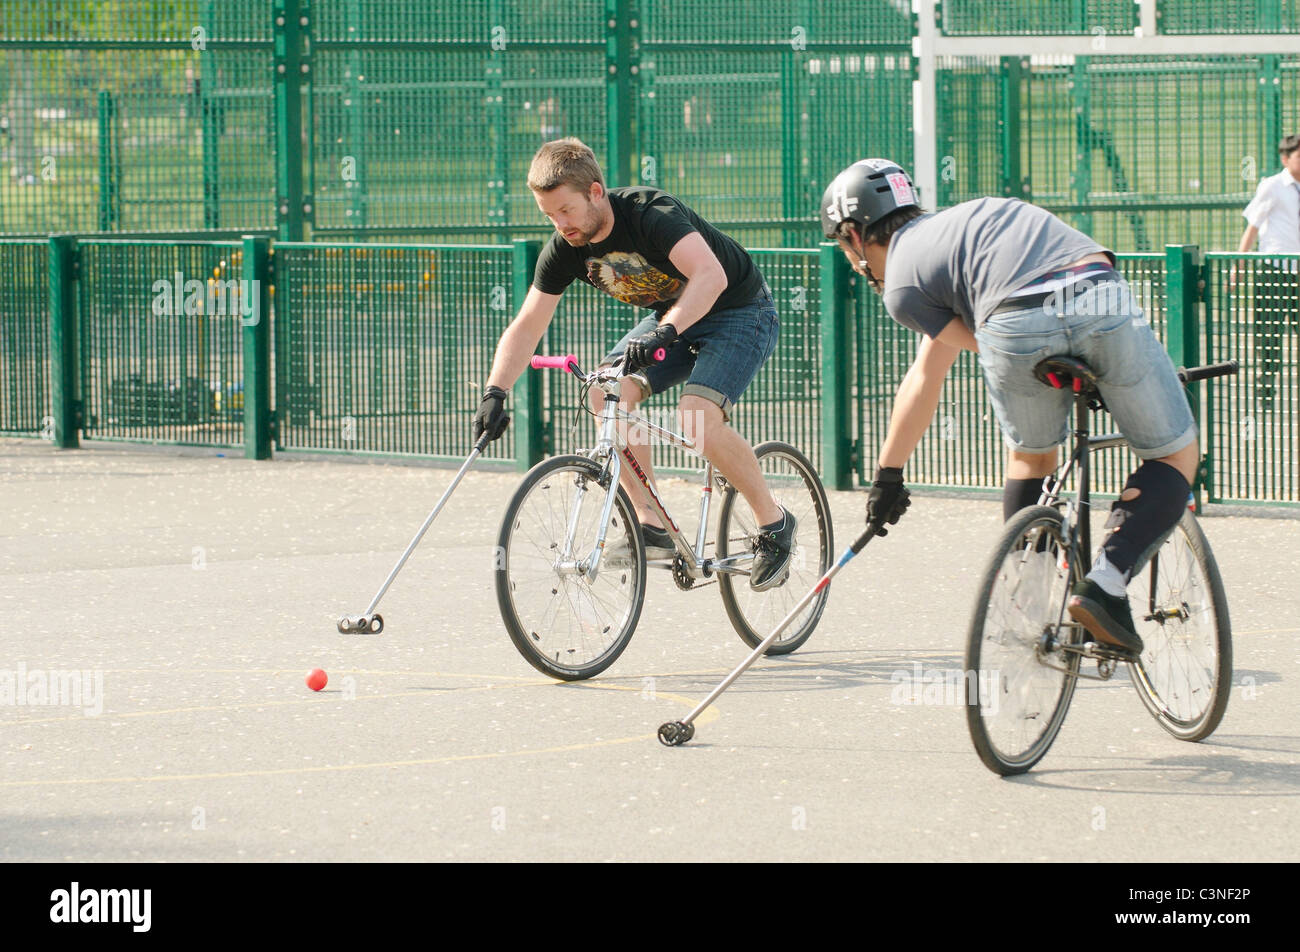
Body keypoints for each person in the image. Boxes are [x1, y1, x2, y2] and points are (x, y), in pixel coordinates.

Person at [820, 158, 1200, 654]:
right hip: (1098, 293)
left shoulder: (904, 289)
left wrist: (888, 474)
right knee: (1174, 455)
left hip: (1014, 319)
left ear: (853, 234)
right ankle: (1106, 580)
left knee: (1033, 457)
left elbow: (939, 367)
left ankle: (1034, 601)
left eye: (844, 248)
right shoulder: (975, 219)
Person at [474, 137, 794, 590]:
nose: (559, 224)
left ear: (596, 192)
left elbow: (711, 276)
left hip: (739, 311)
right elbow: (528, 326)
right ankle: (652, 523)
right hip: (674, 319)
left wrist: (666, 331)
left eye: (565, 210)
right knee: (603, 392)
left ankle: (775, 524)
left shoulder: (651, 213)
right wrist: (495, 392)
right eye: (549, 215)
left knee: (697, 418)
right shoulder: (566, 247)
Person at [1234, 133, 1300, 411]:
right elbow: (1253, 225)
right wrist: (1239, 266)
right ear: (1285, 159)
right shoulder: (1273, 186)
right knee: (1269, 333)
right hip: (1275, 271)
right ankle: (1266, 384)